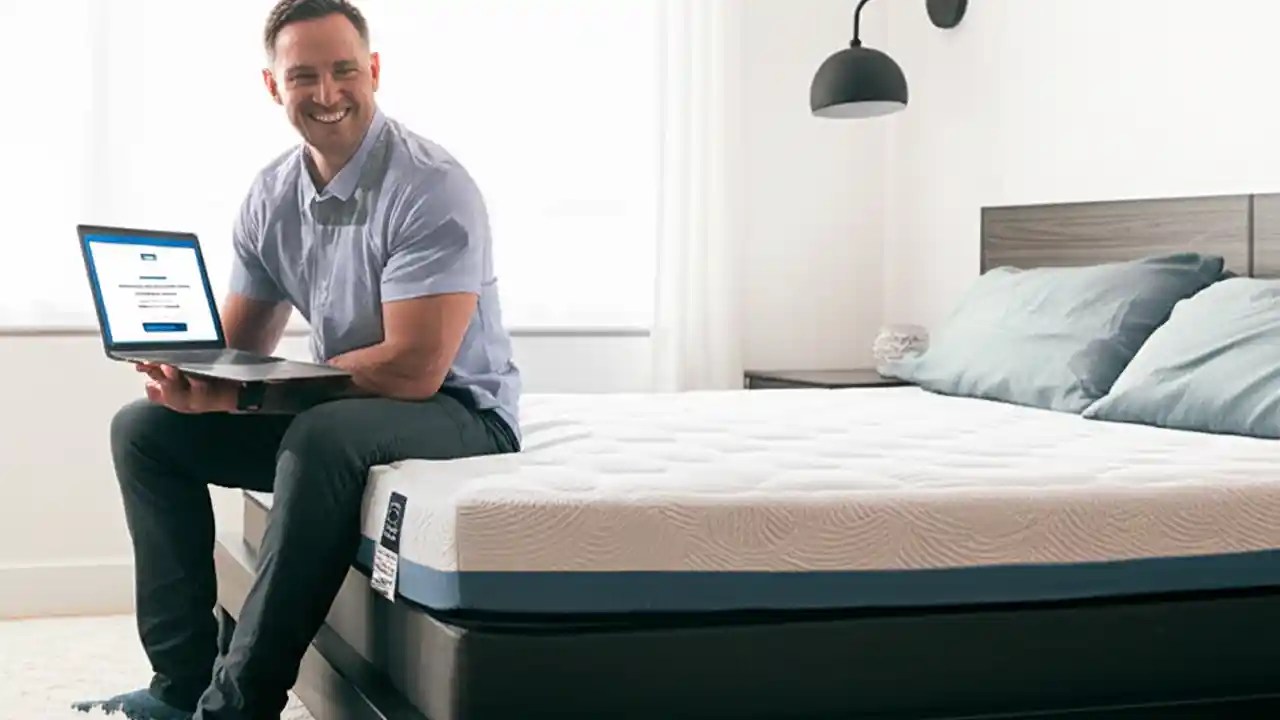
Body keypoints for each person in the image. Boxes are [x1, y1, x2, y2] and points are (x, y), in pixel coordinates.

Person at [72, 0, 521, 717]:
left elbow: (414, 370)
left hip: (459, 410)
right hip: (354, 408)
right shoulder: (271, 195)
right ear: (273, 86)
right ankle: (179, 686)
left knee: (319, 436)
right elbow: (241, 347)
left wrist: (248, 397)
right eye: (303, 75)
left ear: (373, 70)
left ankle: (239, 704)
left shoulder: (431, 187)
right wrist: (190, 374)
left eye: (344, 70)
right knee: (144, 432)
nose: (327, 92)